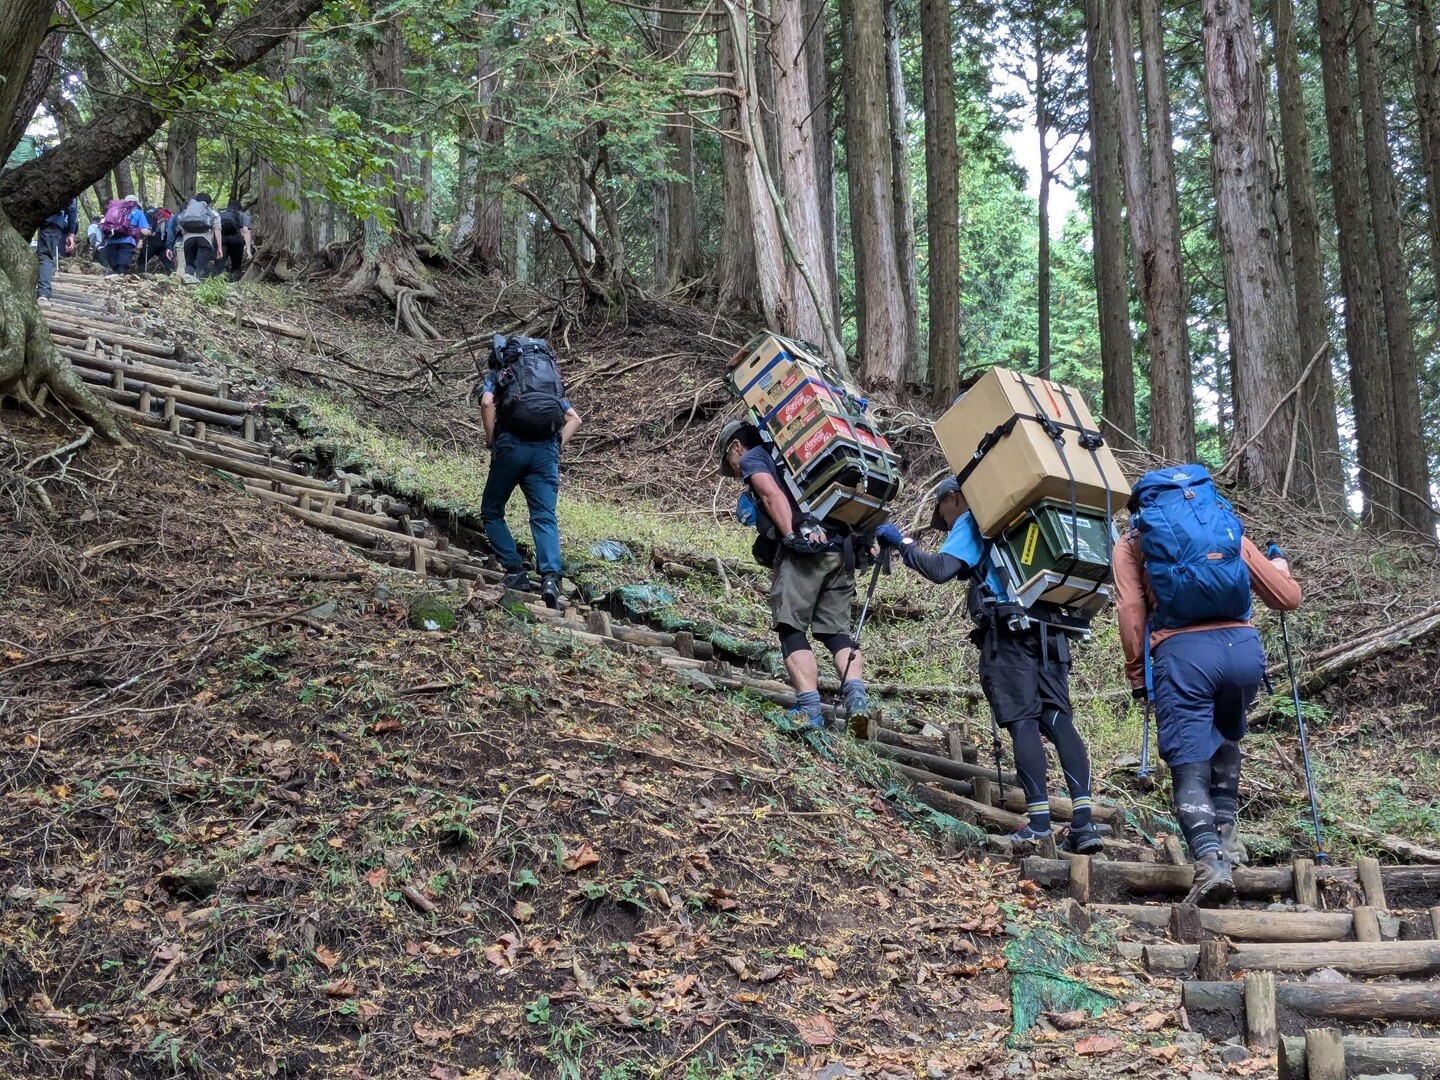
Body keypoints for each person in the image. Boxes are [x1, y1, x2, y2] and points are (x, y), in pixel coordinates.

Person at [875, 479, 1103, 854]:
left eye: (942, 514)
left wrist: (902, 543)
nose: (946, 524)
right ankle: (1084, 822)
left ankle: (1040, 824)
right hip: (1052, 631)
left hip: (1010, 637)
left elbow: (940, 569)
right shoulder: (1019, 519)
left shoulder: (976, 518)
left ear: (953, 497)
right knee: (1058, 719)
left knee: (1024, 721)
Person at [1113, 465, 1302, 906]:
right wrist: (1279, 564)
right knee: (1224, 736)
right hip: (1243, 650)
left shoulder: (1134, 542)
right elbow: (1287, 598)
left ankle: (1210, 862)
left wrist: (1139, 674)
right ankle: (1228, 842)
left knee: (1188, 763)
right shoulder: (1224, 527)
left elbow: (1130, 610)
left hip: (1184, 656)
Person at [718, 420, 871, 730]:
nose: (735, 473)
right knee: (835, 633)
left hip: (807, 551)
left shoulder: (754, 457)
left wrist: (790, 535)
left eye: (729, 463)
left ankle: (809, 710)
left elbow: (773, 495)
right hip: (842, 550)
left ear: (736, 447)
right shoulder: (792, 457)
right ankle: (857, 703)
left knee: (791, 628)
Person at [479, 336, 582, 608]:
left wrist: (491, 441)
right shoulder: (548, 381)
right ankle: (550, 579)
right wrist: (555, 445)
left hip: (511, 447)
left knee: (492, 509)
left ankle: (515, 570)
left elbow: (487, 403)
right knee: (544, 516)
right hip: (545, 452)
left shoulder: (501, 373)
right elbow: (575, 419)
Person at [171, 192, 222, 282]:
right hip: (204, 240)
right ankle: (199, 287)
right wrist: (219, 248)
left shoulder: (187, 212)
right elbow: (217, 230)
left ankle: (188, 285)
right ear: (209, 203)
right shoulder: (213, 213)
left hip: (188, 240)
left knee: (189, 264)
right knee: (201, 266)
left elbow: (180, 226)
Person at [35, 198, 77, 302]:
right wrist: (71, 232)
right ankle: (44, 292)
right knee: (46, 256)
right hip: (54, 221)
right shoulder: (70, 185)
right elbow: (72, 208)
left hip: (36, 219)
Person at [101, 194, 150, 276]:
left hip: (111, 240)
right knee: (122, 267)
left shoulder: (114, 210)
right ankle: (120, 279)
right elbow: (144, 231)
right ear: (136, 203)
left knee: (114, 266)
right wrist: (150, 232)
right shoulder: (138, 212)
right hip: (127, 241)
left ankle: (113, 279)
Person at [215, 201, 253, 280]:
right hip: (236, 241)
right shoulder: (243, 215)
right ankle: (234, 279)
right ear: (240, 208)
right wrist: (248, 249)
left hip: (222, 240)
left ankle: (218, 280)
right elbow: (245, 231)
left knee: (220, 262)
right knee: (236, 264)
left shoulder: (220, 214)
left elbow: (215, 229)